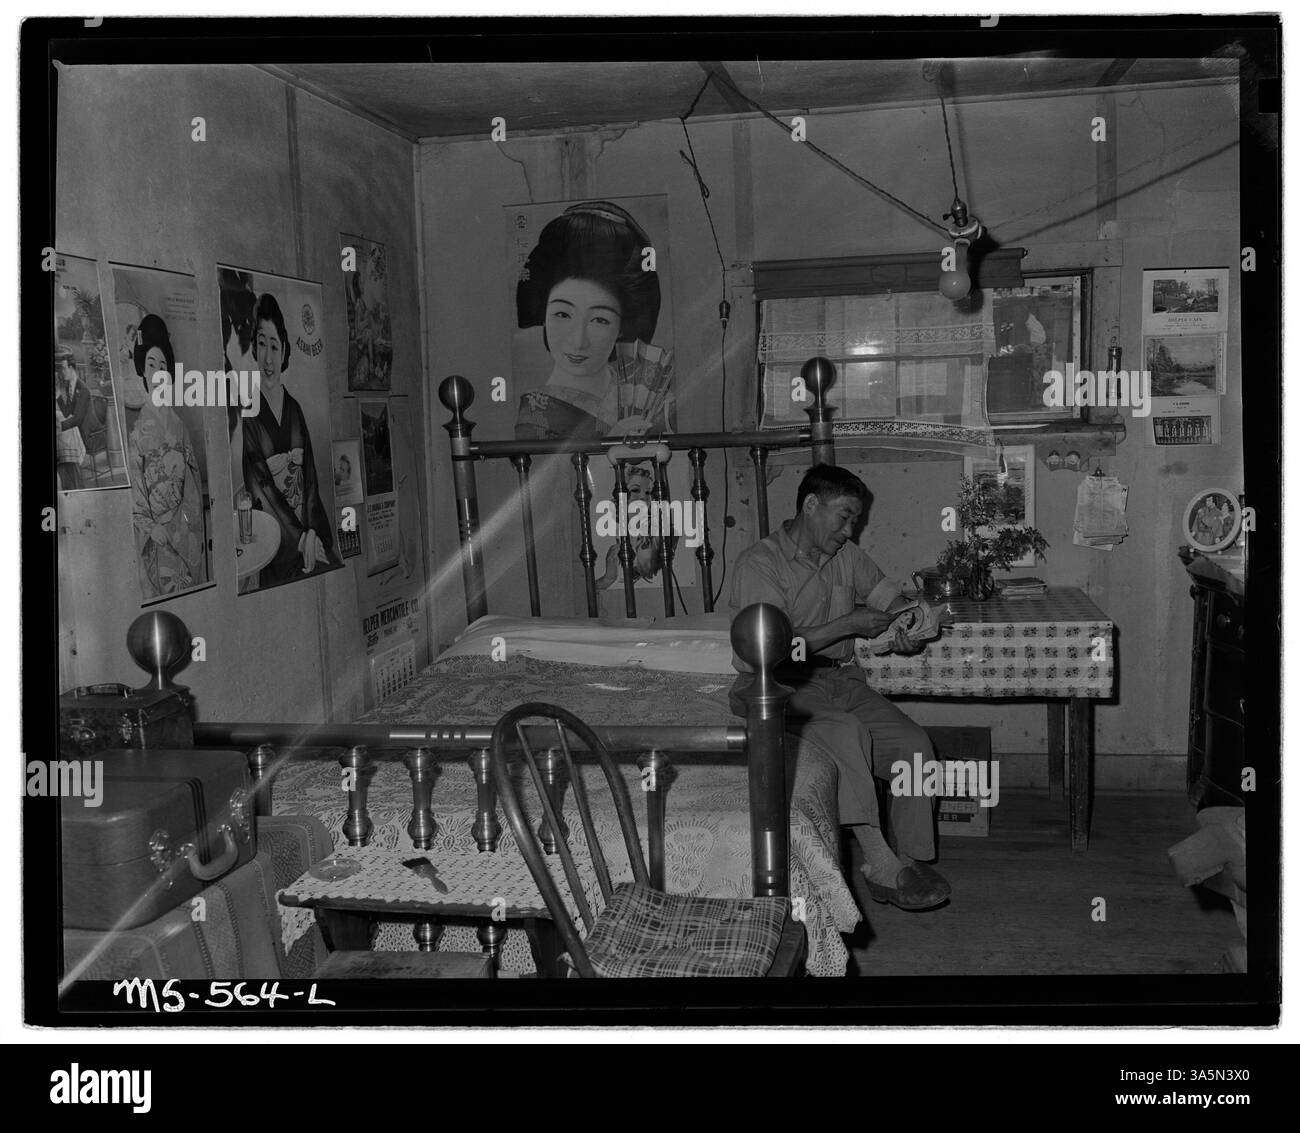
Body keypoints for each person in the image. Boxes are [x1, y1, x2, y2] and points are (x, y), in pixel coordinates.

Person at [728, 463, 952, 911]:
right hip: (779, 685)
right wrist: (847, 623)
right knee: (846, 732)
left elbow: (887, 594)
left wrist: (910, 618)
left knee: (913, 744)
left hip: (841, 678)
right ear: (811, 505)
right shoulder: (761, 563)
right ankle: (881, 865)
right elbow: (765, 651)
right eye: (844, 516)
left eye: (856, 520)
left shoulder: (845, 555)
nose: (851, 529)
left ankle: (907, 858)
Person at [514, 201, 667, 440]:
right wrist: (607, 448)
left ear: (621, 327)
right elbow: (542, 478)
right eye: (562, 314)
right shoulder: (537, 413)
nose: (578, 341)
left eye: (600, 320)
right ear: (543, 313)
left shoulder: (640, 398)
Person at [240, 292, 336, 585]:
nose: (268, 358)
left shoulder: (294, 408)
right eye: (261, 344)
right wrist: (298, 537)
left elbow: (309, 478)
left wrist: (310, 532)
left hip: (309, 529)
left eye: (274, 346)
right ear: (254, 349)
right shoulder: (250, 412)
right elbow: (261, 486)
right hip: (280, 538)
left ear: (283, 351)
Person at [126, 314, 209, 598]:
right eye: (152, 365)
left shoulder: (180, 426)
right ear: (143, 370)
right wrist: (153, 528)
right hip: (158, 538)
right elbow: (136, 500)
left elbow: (194, 481)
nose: (158, 373)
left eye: (164, 366)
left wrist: (183, 524)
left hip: (184, 530)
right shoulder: (136, 435)